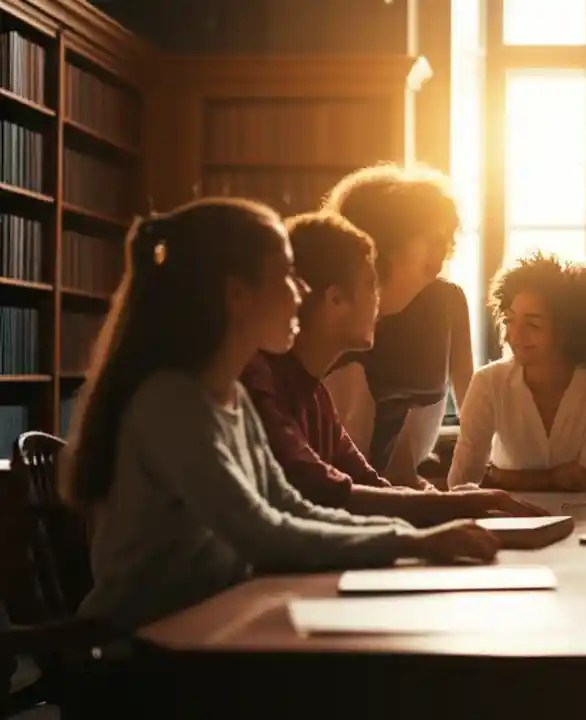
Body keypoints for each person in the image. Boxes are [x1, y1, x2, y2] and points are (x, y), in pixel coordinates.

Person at [61, 198, 497, 630]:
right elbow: (261, 532)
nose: (302, 291)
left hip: (210, 625)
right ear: (237, 295)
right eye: (288, 276)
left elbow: (290, 506)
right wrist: (415, 541)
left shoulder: (231, 397)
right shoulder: (173, 403)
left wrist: (420, 535)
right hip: (139, 650)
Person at [240, 212, 547, 524]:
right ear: (335, 300)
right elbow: (324, 491)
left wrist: (460, 506)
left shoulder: (314, 392)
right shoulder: (259, 382)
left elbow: (368, 484)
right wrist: (459, 508)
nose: (379, 300)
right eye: (371, 284)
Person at [321, 164, 473, 486]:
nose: (442, 252)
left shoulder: (443, 302)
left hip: (388, 492)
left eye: (446, 239)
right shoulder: (322, 307)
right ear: (382, 239)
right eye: (432, 237)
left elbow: (474, 414)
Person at [447, 252, 586, 492]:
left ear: (567, 331)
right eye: (509, 320)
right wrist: (555, 477)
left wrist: (502, 478)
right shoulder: (488, 382)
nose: (514, 336)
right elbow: (461, 481)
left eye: (532, 325)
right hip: (507, 521)